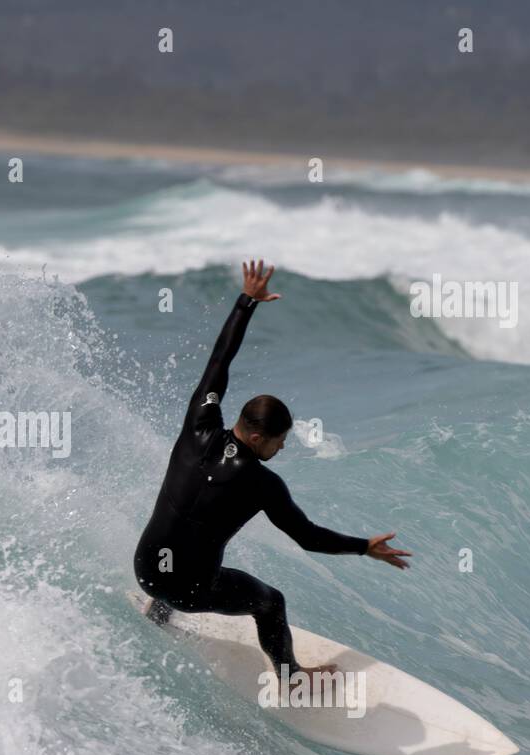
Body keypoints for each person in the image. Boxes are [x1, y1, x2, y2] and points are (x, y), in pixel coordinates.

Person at [133, 259, 411, 680]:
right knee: (270, 602)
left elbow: (219, 361)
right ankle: (292, 678)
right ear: (259, 438)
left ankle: (156, 613)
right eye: (280, 441)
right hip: (188, 591)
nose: (282, 449)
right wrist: (364, 546)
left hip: (146, 569)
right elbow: (308, 537)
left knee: (182, 541)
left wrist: (247, 301)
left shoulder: (198, 424)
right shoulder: (261, 484)